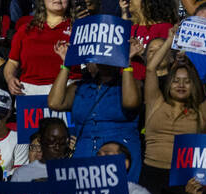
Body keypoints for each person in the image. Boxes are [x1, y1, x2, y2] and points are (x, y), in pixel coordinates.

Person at [142, 28, 206, 194]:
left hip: (182, 181)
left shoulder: (200, 113)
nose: (181, 85)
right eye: (176, 80)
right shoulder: (155, 103)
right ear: (169, 84)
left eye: (187, 81)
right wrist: (170, 40)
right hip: (151, 174)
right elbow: (150, 69)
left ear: (193, 86)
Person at [47, 34, 142, 177]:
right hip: (85, 154)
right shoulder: (79, 87)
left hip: (118, 154)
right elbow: (55, 103)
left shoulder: (130, 84)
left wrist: (127, 62)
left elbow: (130, 103)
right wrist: (66, 63)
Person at [4, 0, 73, 96]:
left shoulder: (78, 28)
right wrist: (10, 78)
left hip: (67, 89)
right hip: (30, 91)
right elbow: (12, 62)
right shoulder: (25, 29)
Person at [9, 117, 71, 182]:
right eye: (52, 140)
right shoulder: (21, 174)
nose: (57, 147)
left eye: (62, 141)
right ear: (41, 140)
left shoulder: (73, 172)